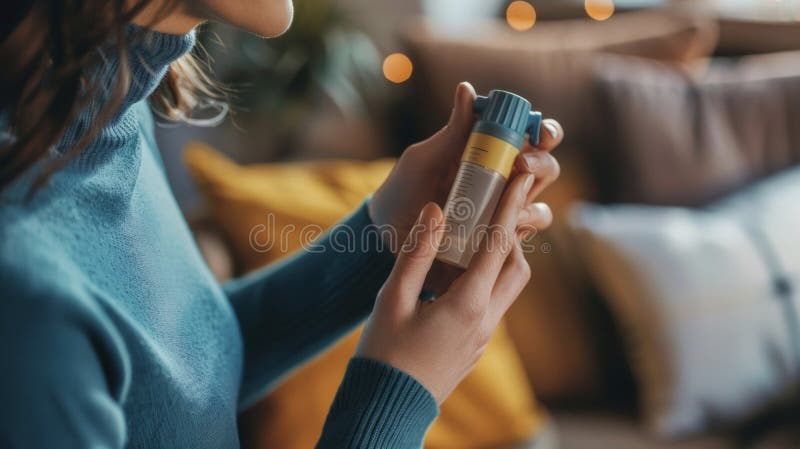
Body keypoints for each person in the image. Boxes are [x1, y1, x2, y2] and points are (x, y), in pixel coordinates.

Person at [0, 0, 563, 448]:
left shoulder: (98, 105)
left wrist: (385, 234)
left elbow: (173, 384)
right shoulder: (23, 299)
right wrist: (398, 395)